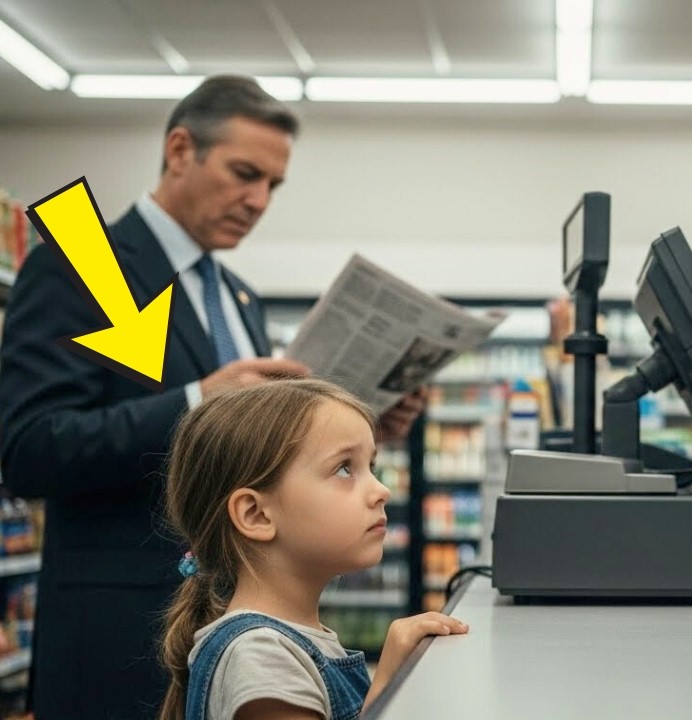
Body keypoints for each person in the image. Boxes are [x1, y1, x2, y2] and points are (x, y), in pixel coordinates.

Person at [0, 76, 424, 718]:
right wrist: (197, 399)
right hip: (119, 637)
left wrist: (364, 430)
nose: (257, 201)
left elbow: (249, 456)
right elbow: (31, 448)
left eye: (272, 186)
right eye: (244, 173)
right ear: (178, 151)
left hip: (235, 631)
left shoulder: (237, 295)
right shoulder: (86, 258)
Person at [159, 379, 466, 720]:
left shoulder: (284, 643)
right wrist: (388, 685)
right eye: (344, 468)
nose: (381, 491)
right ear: (256, 514)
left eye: (372, 467)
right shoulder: (261, 656)